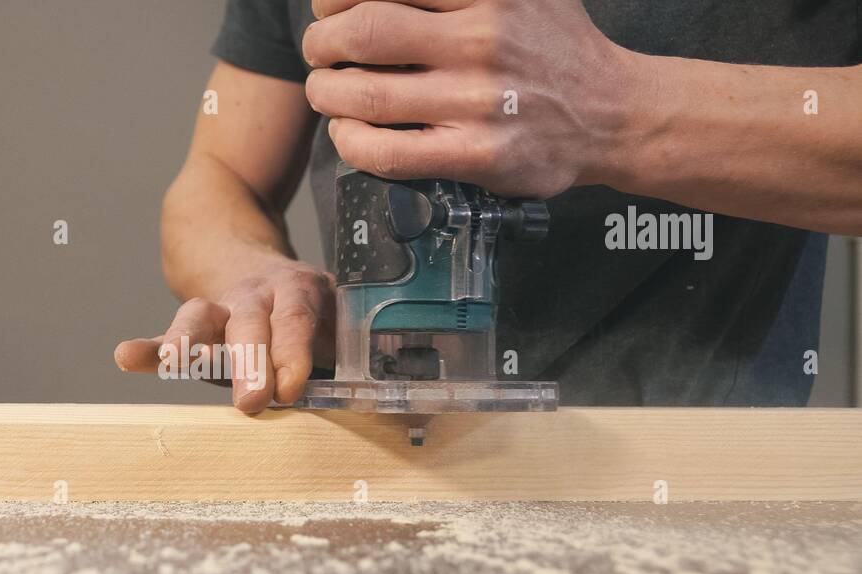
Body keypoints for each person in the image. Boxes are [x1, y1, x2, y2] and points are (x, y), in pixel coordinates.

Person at [115, 0, 862, 410]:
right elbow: (216, 177)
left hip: (697, 494)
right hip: (380, 481)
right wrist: (257, 277)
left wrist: (611, 110)